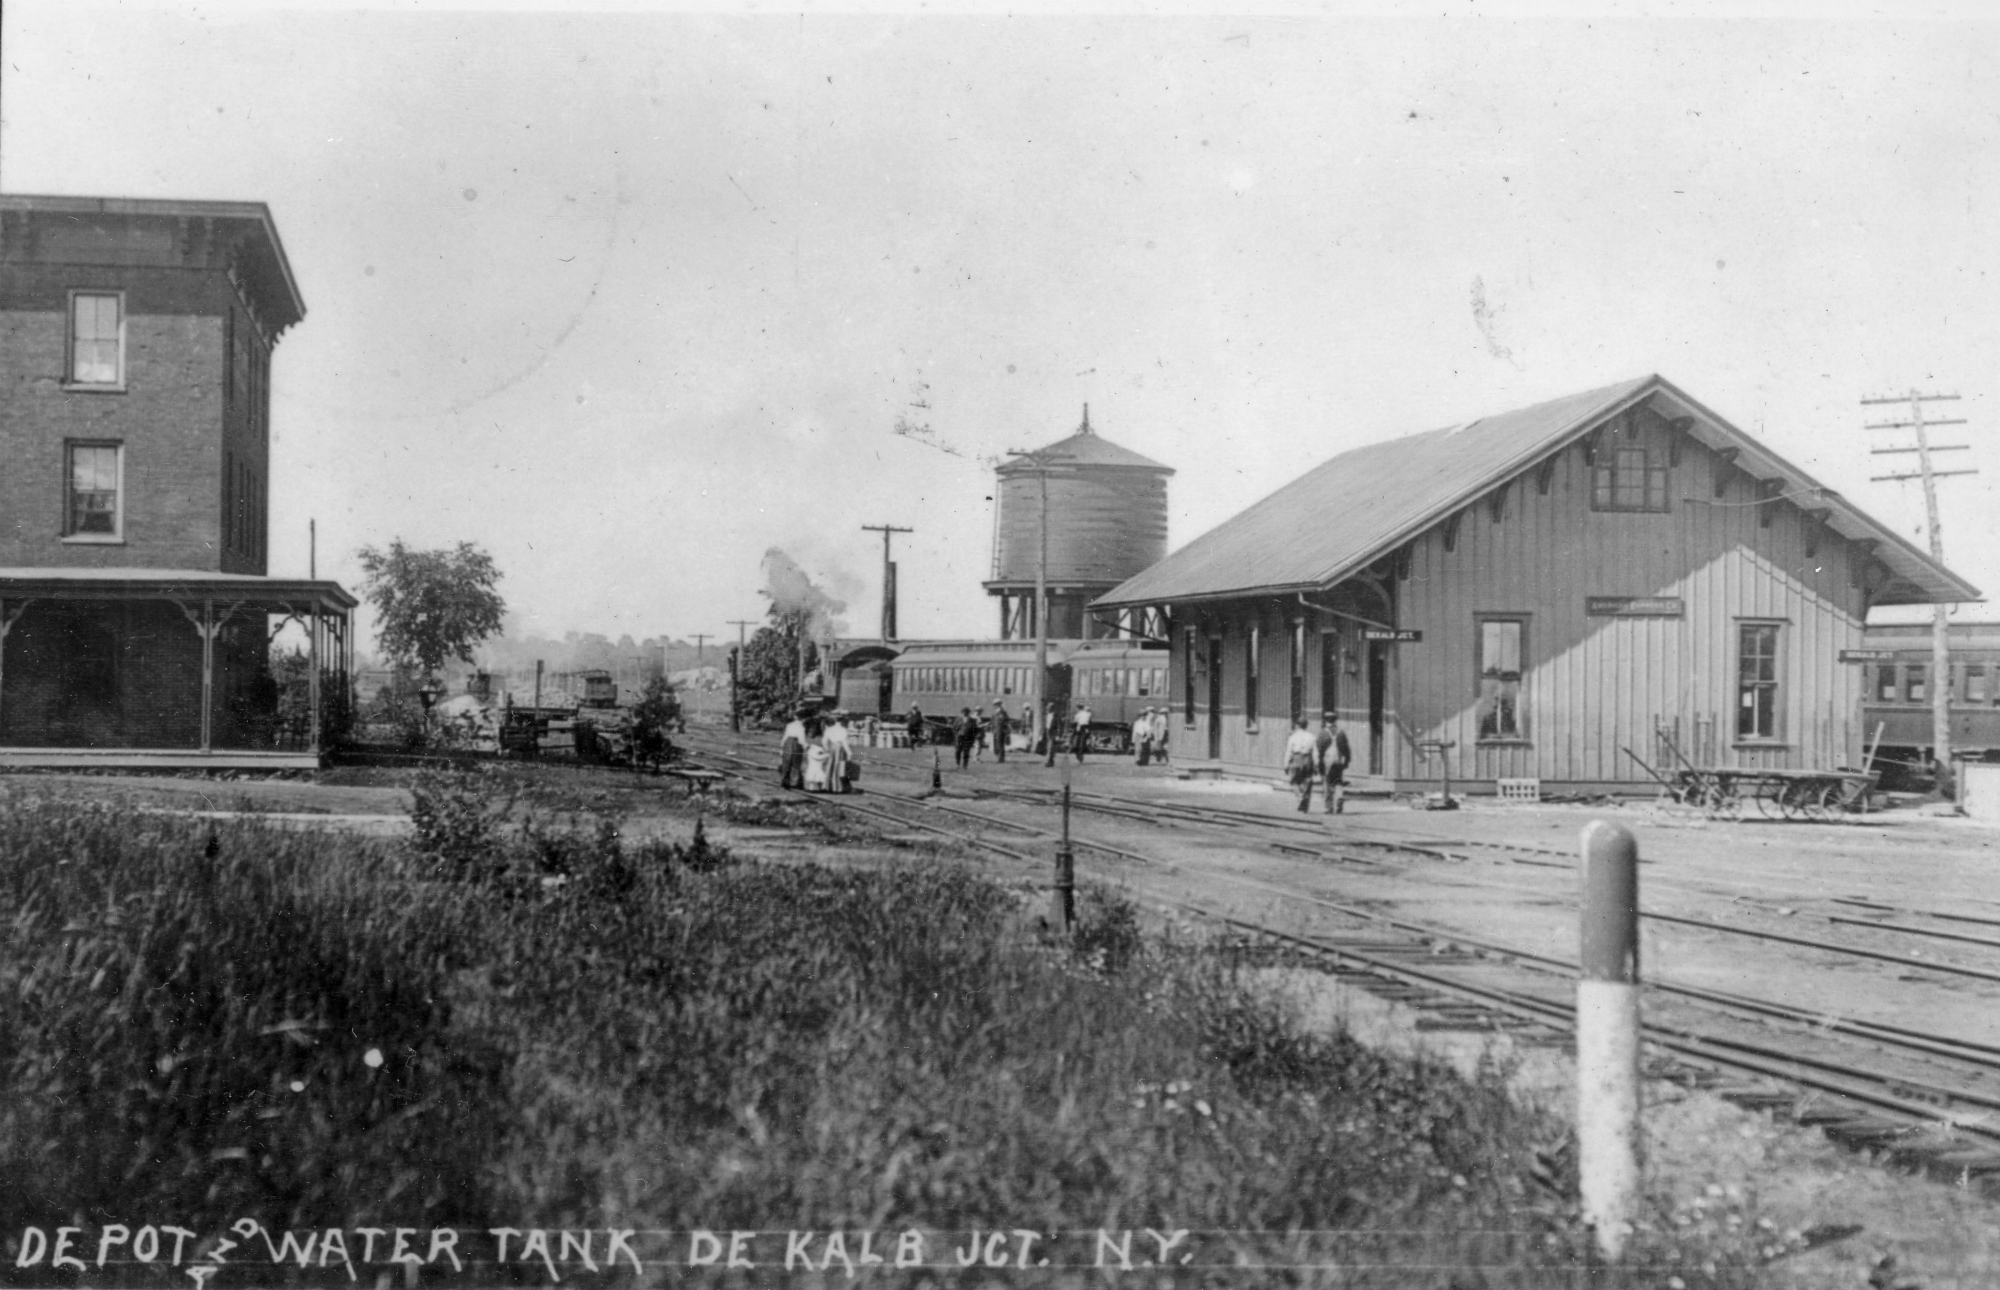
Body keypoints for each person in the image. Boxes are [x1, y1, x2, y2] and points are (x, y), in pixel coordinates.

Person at [1284, 716, 1318, 812]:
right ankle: (1304, 801)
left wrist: (1286, 764)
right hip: (1307, 759)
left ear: (1297, 725)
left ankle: (1300, 797)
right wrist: (1316, 765)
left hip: (1296, 758)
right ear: (1306, 725)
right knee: (1307, 780)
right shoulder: (1312, 737)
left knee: (1294, 781)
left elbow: (1289, 751)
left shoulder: (1293, 737)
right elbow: (1315, 752)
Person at [1319, 717, 1352, 814]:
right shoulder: (1341, 733)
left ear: (1325, 721)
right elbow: (1346, 749)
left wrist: (1319, 764)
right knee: (1338, 782)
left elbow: (1319, 750)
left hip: (1327, 762)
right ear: (1334, 721)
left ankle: (1329, 807)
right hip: (1338, 761)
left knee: (1327, 783)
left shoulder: (1323, 734)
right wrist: (1346, 761)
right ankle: (1339, 798)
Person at [824, 711, 853, 793]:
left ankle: (828, 786)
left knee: (830, 766)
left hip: (831, 747)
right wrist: (849, 752)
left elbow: (824, 741)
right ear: (843, 721)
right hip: (839, 748)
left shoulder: (829, 729)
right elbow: (844, 742)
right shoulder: (843, 730)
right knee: (839, 767)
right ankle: (837, 787)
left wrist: (826, 749)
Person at [778, 708, 808, 789]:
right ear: (804, 719)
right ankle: (794, 782)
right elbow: (801, 739)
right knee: (796, 763)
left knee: (786, 762)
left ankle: (784, 781)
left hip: (788, 743)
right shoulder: (801, 727)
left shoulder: (789, 725)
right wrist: (806, 746)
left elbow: (785, 736)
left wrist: (782, 745)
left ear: (795, 717)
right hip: (796, 744)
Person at [991, 699, 1011, 764]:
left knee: (1000, 745)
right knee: (996, 745)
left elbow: (1006, 721)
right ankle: (999, 757)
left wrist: (1006, 730)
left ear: (999, 704)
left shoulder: (1003, 712)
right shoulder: (994, 713)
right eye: (995, 704)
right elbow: (992, 722)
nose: (996, 706)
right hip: (995, 731)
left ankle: (1001, 758)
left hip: (1001, 731)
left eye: (997, 704)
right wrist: (992, 729)